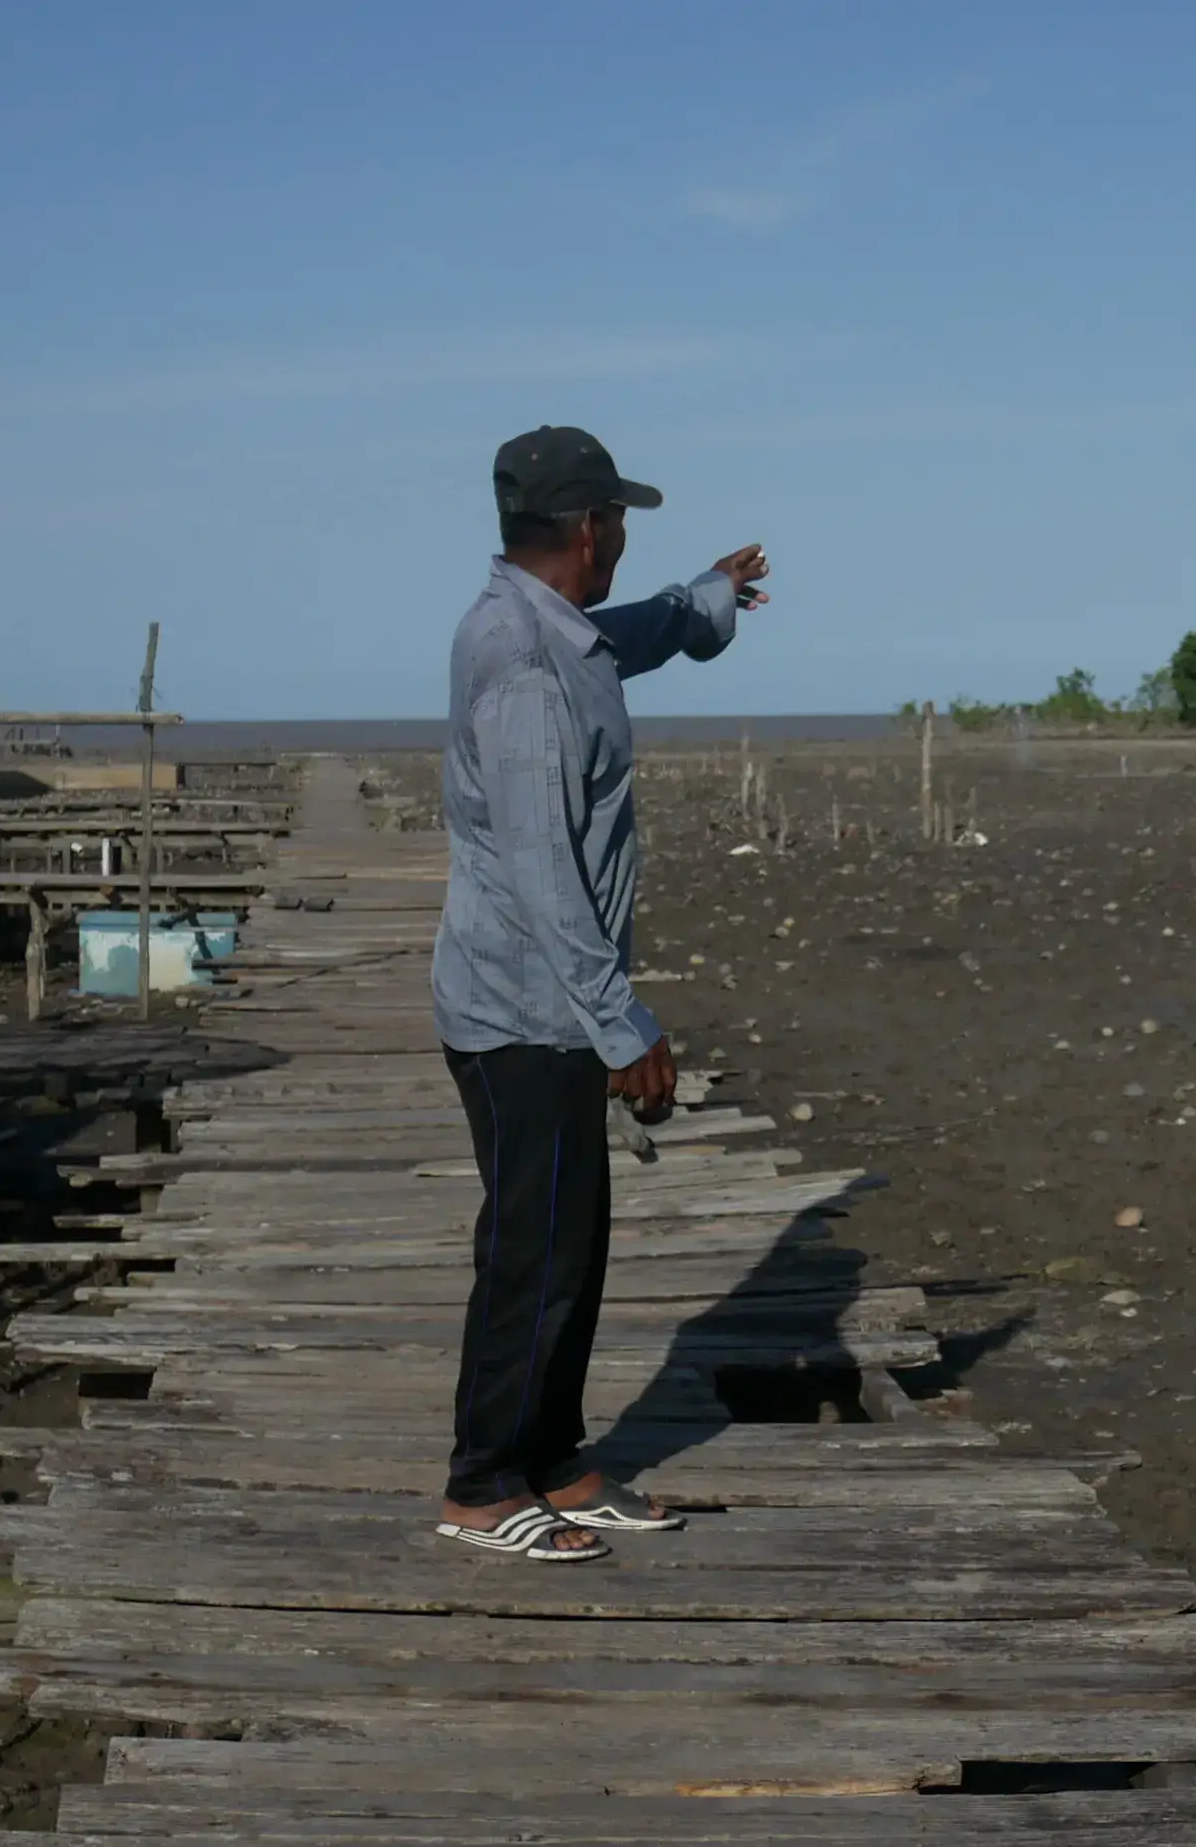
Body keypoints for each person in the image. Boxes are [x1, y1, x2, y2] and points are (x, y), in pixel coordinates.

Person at [427, 425, 768, 1561]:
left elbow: (623, 637)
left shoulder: (545, 631)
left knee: (573, 1242)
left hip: (544, 1003)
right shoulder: (523, 667)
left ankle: (557, 1462)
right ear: (589, 530)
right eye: (618, 519)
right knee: (532, 1249)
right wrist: (622, 1024)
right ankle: (481, 1485)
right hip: (523, 1009)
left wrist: (704, 601)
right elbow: (541, 866)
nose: (620, 536)